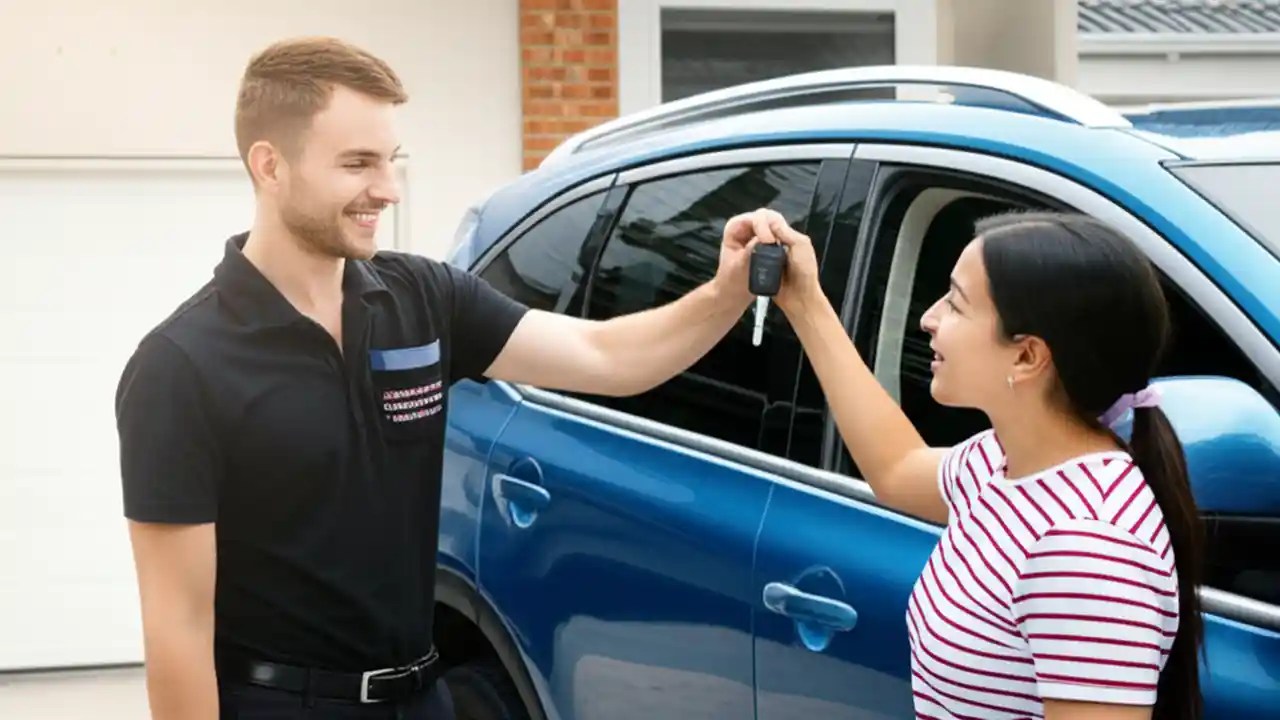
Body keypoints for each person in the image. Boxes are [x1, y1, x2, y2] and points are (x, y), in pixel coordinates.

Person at [114, 36, 768, 720]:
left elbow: (609, 358)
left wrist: (726, 292)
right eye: (357, 164)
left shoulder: (422, 299)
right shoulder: (180, 367)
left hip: (425, 700)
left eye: (390, 161)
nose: (387, 189)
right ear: (270, 166)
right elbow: (177, 628)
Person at [748, 207, 1204, 720]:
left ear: (1028, 356)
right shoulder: (1002, 460)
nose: (929, 318)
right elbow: (897, 467)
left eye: (957, 306)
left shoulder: (1086, 548)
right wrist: (805, 301)